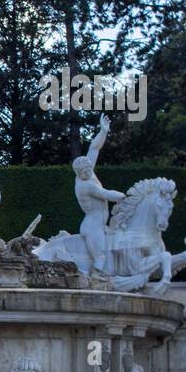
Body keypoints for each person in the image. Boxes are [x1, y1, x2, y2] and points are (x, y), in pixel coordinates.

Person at [71, 115, 124, 273]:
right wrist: (123, 197)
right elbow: (106, 194)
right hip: (93, 226)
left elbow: (94, 148)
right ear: (78, 173)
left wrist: (103, 131)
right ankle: (97, 282)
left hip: (97, 224)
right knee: (100, 257)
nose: (88, 172)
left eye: (89, 169)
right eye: (85, 171)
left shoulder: (86, 171)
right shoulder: (85, 185)